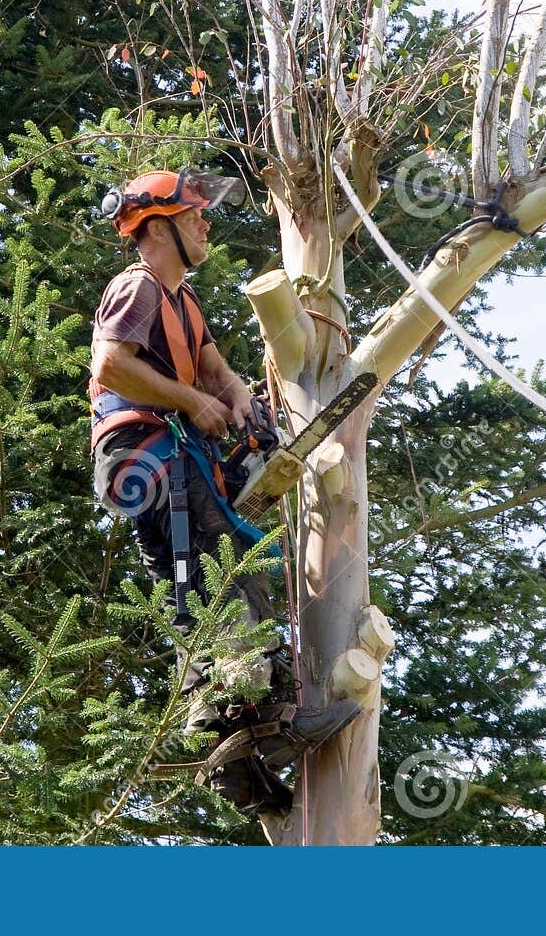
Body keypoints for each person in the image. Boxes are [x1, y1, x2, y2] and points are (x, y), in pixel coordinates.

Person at [88, 168, 359, 817]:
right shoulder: (139, 287)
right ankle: (246, 720)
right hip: (144, 457)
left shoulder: (182, 302)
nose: (206, 222)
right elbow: (110, 365)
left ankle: (240, 748)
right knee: (212, 580)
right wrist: (190, 403)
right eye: (194, 215)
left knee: (233, 578)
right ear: (158, 226)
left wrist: (239, 400)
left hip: (175, 459)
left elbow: (214, 370)